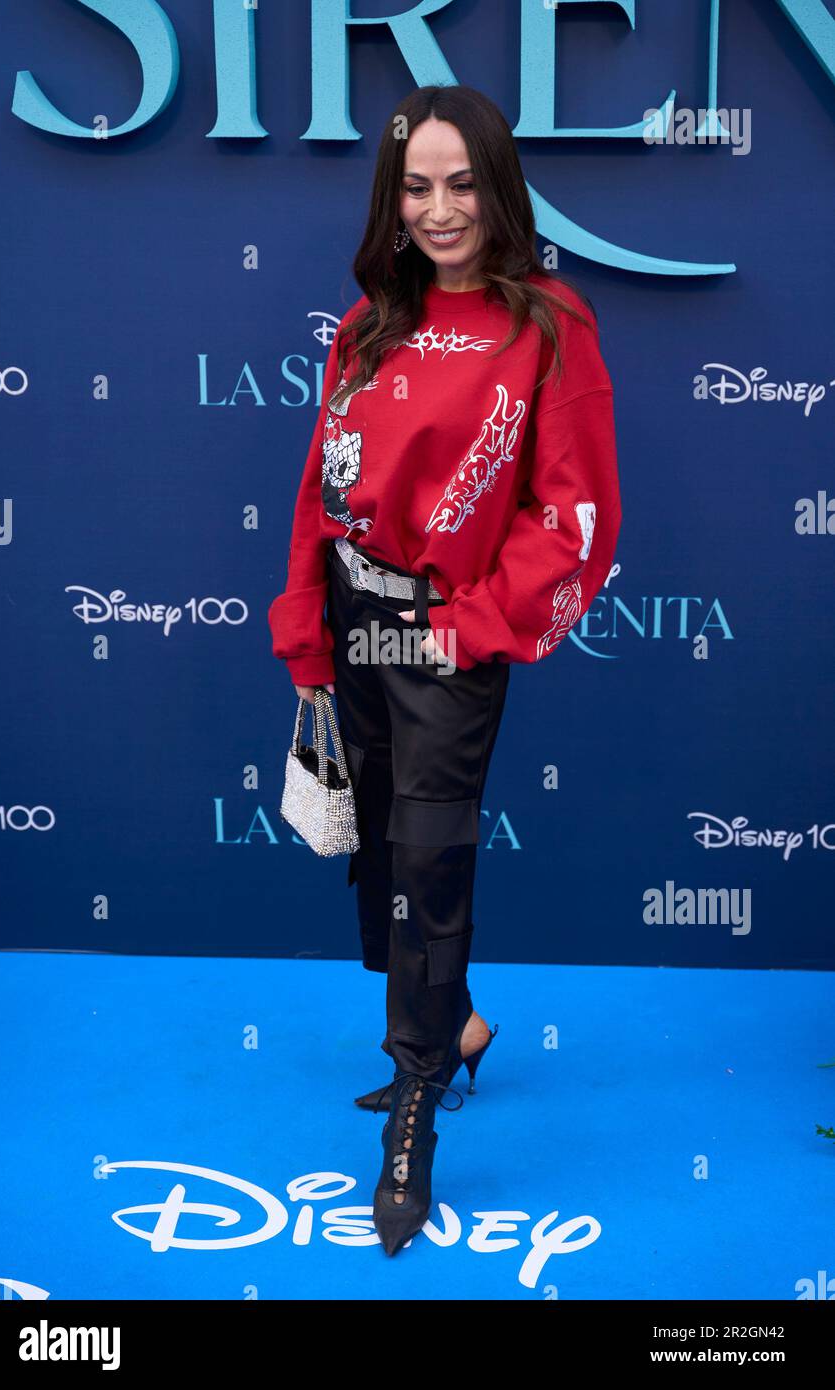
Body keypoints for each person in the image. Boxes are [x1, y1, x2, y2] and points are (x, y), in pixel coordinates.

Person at [268, 83, 622, 1256]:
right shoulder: (371, 318)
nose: (438, 208)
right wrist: (305, 623)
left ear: (497, 185)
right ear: (393, 194)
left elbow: (574, 516)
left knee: (429, 862)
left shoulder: (549, 325)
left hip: (447, 640)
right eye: (416, 185)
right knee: (375, 852)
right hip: (352, 621)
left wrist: (467, 627)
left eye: (461, 182)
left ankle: (414, 1104)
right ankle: (455, 1029)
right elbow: (324, 484)